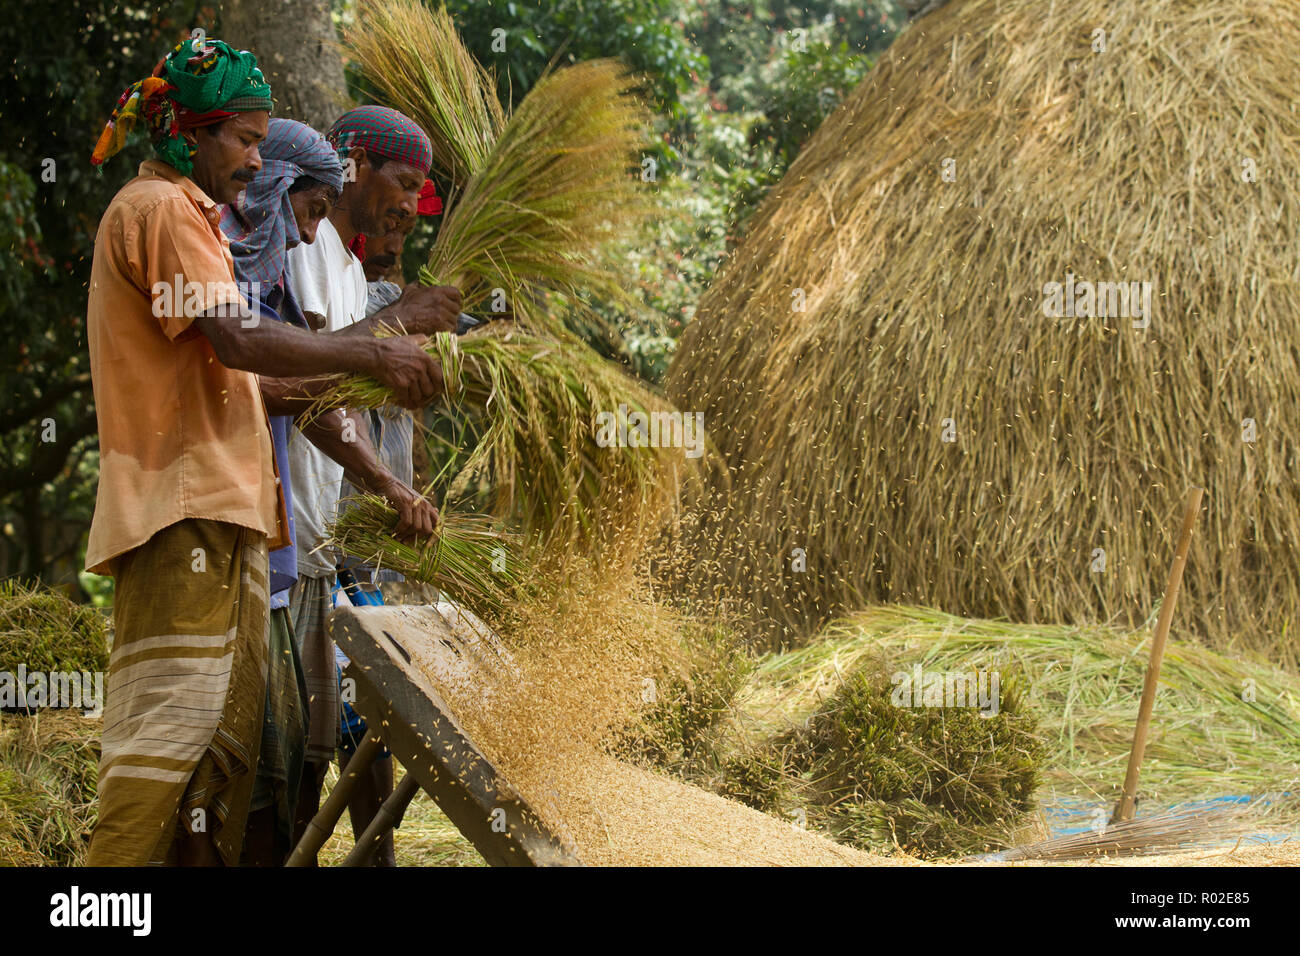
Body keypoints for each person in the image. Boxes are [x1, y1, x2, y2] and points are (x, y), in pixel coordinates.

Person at [82, 37, 447, 866]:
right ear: (191, 132)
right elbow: (241, 339)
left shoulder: (197, 221)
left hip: (226, 519)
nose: (255, 157)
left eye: (257, 140)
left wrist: (386, 481)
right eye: (244, 138)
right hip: (182, 515)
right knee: (161, 752)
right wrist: (374, 353)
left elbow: (260, 381)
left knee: (221, 763)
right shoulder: (162, 210)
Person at [285, 104, 461, 860]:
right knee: (283, 755)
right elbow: (301, 373)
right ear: (354, 164)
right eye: (407, 183)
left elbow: (340, 401)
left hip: (325, 543)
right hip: (281, 541)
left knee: (322, 743)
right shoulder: (304, 245)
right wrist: (388, 487)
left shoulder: (351, 270)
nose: (411, 209)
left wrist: (392, 486)